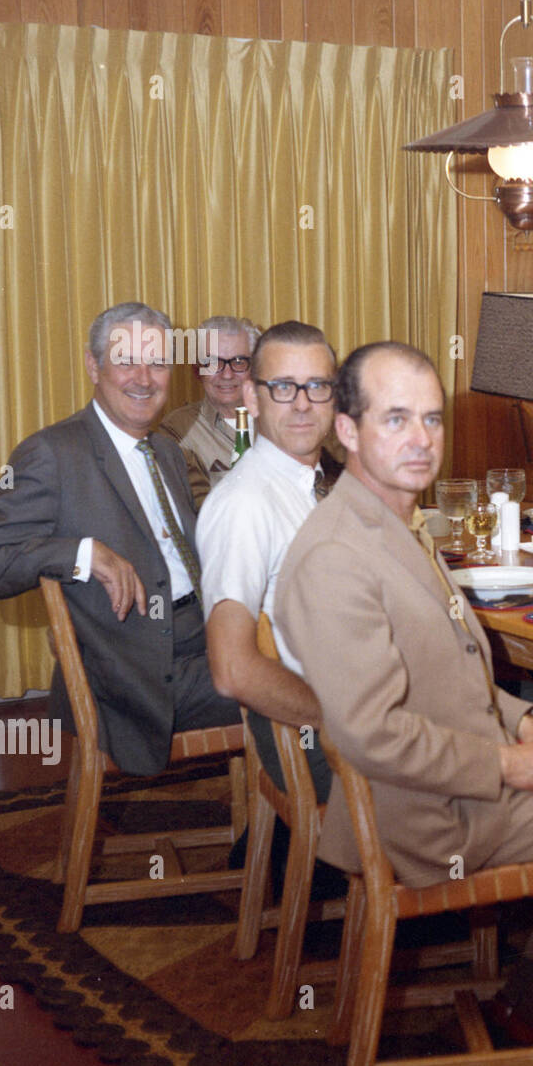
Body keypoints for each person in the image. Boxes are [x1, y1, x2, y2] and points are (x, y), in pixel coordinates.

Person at [274, 342, 533, 1040]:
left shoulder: (393, 526)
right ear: (346, 430)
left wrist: (527, 723)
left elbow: (452, 670)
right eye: (396, 419)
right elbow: (370, 733)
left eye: (432, 420)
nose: (421, 440)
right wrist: (508, 763)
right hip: (431, 817)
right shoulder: (335, 556)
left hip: (458, 773)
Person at [0, 303, 240, 774]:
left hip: (205, 638)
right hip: (143, 673)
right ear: (94, 366)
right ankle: (293, 839)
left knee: (331, 658)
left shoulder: (168, 451)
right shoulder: (52, 452)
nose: (144, 378)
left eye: (156, 362)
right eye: (126, 360)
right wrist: (81, 553)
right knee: (313, 689)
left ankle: (274, 835)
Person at [196, 320, 337, 803]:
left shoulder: (314, 487)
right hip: (323, 743)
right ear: (252, 400)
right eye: (282, 387)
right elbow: (232, 669)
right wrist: (342, 719)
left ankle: (293, 865)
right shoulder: (246, 504)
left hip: (364, 713)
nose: (302, 403)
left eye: (317, 386)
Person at [159, 315, 259, 509]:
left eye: (239, 362)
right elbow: (194, 511)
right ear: (197, 371)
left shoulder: (282, 419)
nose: (227, 374)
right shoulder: (178, 429)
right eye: (212, 363)